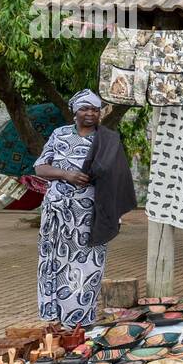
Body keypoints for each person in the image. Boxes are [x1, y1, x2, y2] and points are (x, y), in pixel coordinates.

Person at [33, 90, 135, 329]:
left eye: (95, 109)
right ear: (74, 111)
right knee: (56, 261)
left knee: (88, 264)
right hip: (57, 214)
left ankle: (80, 318)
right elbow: (40, 167)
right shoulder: (60, 134)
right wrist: (66, 174)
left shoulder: (107, 139)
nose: (90, 113)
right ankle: (56, 317)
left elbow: (118, 176)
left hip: (90, 214)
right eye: (84, 108)